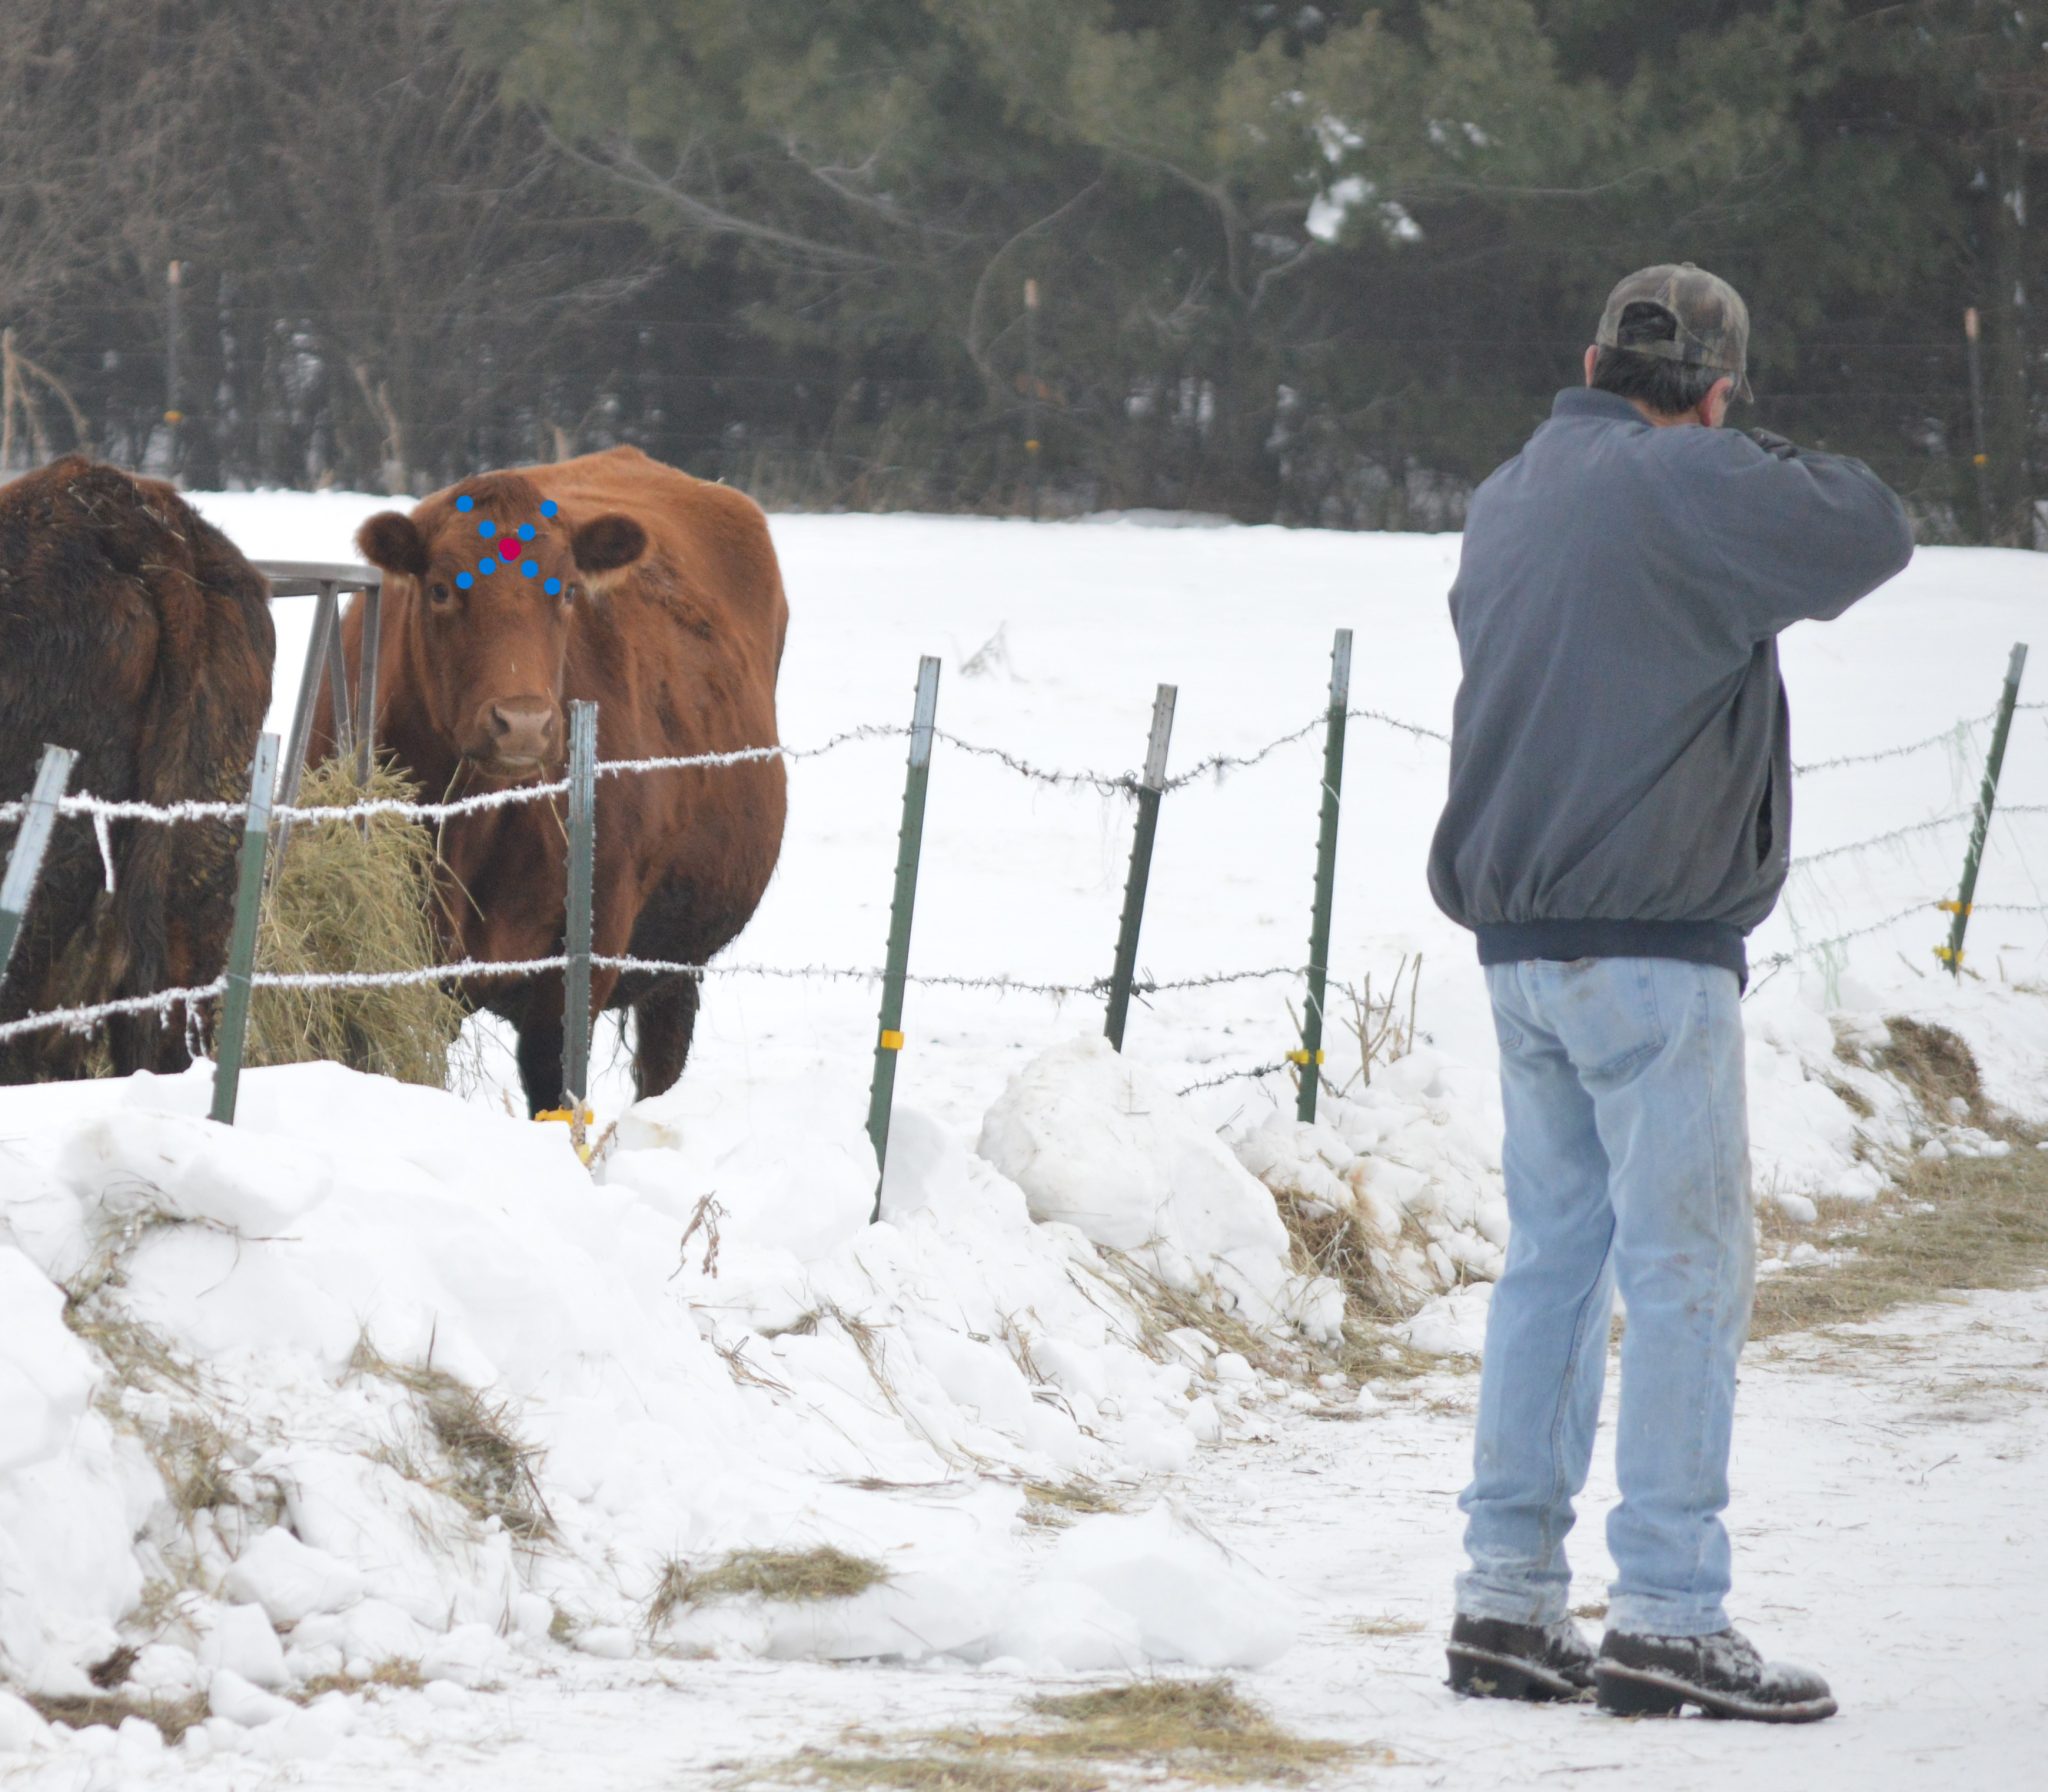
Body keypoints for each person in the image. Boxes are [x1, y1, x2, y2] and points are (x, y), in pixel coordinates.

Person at [1427, 264, 1914, 1723]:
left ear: (1587, 357)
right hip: (1650, 945)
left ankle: (1505, 1603)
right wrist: (1719, 444)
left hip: (1518, 950)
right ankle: (1670, 1615)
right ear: (1713, 394)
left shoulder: (1513, 490)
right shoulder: (1690, 483)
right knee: (1689, 1272)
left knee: (1552, 1270)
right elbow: (1873, 525)